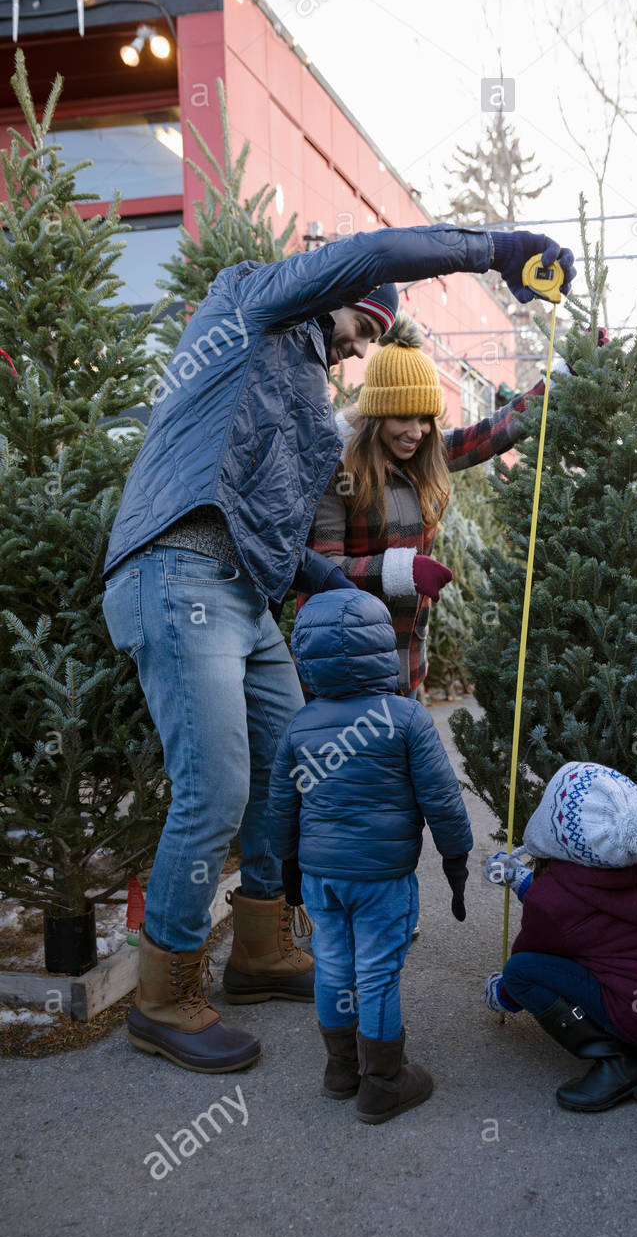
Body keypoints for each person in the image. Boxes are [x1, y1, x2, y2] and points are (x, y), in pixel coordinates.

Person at [100, 223, 574, 1075]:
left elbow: (283, 549)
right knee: (214, 787)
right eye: (367, 328)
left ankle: (259, 953)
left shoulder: (312, 408)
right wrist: (492, 249)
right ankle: (163, 995)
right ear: (340, 299)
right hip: (177, 570)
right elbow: (374, 255)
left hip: (247, 592)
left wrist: (373, 582)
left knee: (294, 770)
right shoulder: (253, 305)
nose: (362, 350)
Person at [267, 587, 472, 1124]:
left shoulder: (299, 726)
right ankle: (382, 1081)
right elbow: (443, 801)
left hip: (320, 877)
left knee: (333, 963)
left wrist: (289, 872)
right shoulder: (406, 719)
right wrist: (456, 862)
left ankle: (340, 1070)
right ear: (385, 648)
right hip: (382, 878)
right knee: (378, 972)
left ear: (305, 659)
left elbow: (280, 808)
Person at [300, 313, 553, 699]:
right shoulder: (337, 465)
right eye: (402, 417)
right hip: (345, 666)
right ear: (377, 415)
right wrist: (402, 569)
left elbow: (487, 435)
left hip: (408, 663)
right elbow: (322, 567)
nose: (415, 431)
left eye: (425, 418)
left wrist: (556, 381)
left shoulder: (425, 452)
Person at [483, 762, 637, 1112]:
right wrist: (520, 880)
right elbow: (579, 906)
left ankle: (617, 1063)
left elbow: (535, 957)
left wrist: (503, 994)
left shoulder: (557, 904)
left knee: (520, 971)